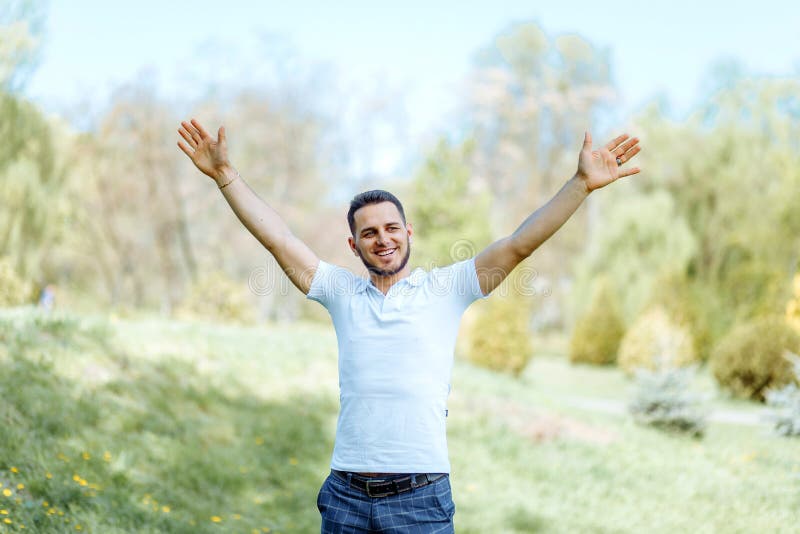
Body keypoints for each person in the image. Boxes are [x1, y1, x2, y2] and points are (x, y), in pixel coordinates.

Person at [177, 118, 641, 533]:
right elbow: (278, 239)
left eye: (391, 228)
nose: (383, 240)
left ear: (408, 232)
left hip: (420, 502)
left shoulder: (447, 289)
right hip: (345, 500)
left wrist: (581, 184)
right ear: (353, 245)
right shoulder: (341, 294)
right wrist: (224, 176)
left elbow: (519, 244)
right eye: (369, 233)